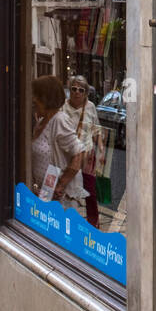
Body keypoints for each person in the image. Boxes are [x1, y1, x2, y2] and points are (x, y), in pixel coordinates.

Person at [31, 75, 85, 206]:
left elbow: (78, 153)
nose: (33, 100)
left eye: (36, 96)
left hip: (60, 199)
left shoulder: (59, 120)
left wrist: (60, 186)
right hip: (45, 194)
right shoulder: (40, 123)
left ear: (46, 98)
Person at [63, 76, 100, 227]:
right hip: (68, 155)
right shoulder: (63, 107)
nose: (77, 92)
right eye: (74, 89)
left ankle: (93, 223)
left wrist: (102, 150)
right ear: (69, 90)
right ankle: (69, 220)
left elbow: (96, 129)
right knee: (68, 188)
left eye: (81, 90)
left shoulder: (90, 107)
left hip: (87, 155)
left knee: (89, 190)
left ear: (85, 93)